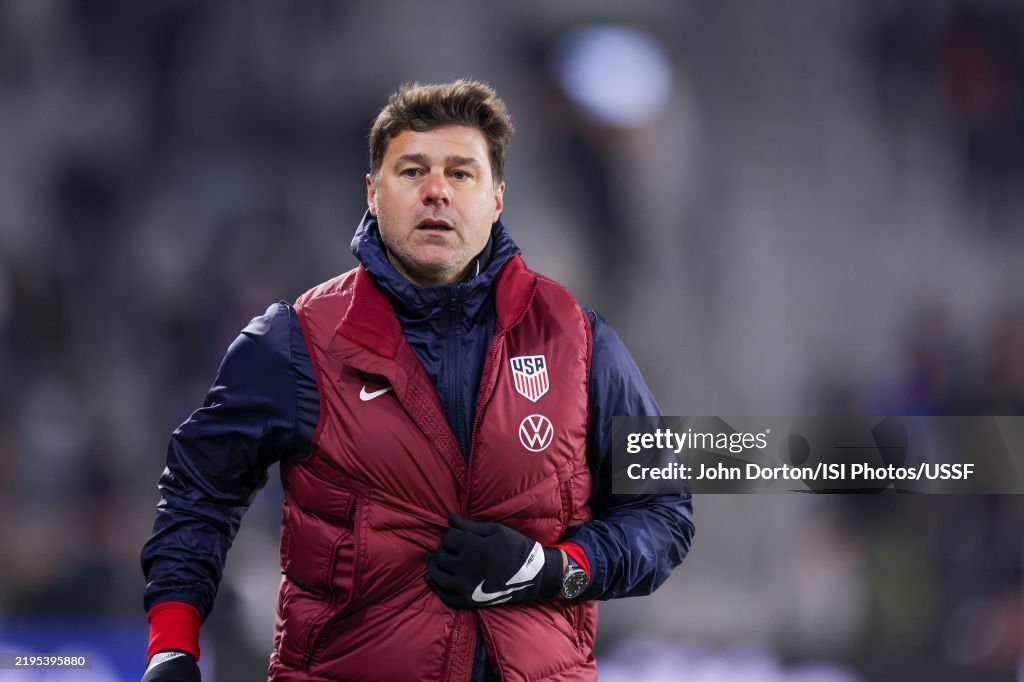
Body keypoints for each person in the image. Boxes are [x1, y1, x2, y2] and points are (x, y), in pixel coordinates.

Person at [140, 79, 694, 682]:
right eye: (412, 172)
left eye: (461, 174)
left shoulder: (580, 342)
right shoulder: (294, 342)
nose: (436, 192)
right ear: (373, 193)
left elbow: (663, 512)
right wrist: (173, 645)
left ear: (497, 198)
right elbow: (199, 491)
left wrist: (551, 568)